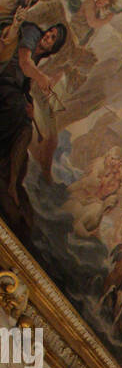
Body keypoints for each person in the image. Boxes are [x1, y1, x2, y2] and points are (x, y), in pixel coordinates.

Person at [0, 20, 66, 233]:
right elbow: (24, 63)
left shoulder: (39, 57)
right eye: (50, 32)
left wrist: (31, 108)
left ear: (53, 47)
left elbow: (24, 84)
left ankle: (11, 184)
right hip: (2, 78)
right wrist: (41, 77)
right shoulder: (32, 32)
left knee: (27, 129)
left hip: (12, 88)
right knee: (14, 106)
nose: (48, 36)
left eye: (53, 38)